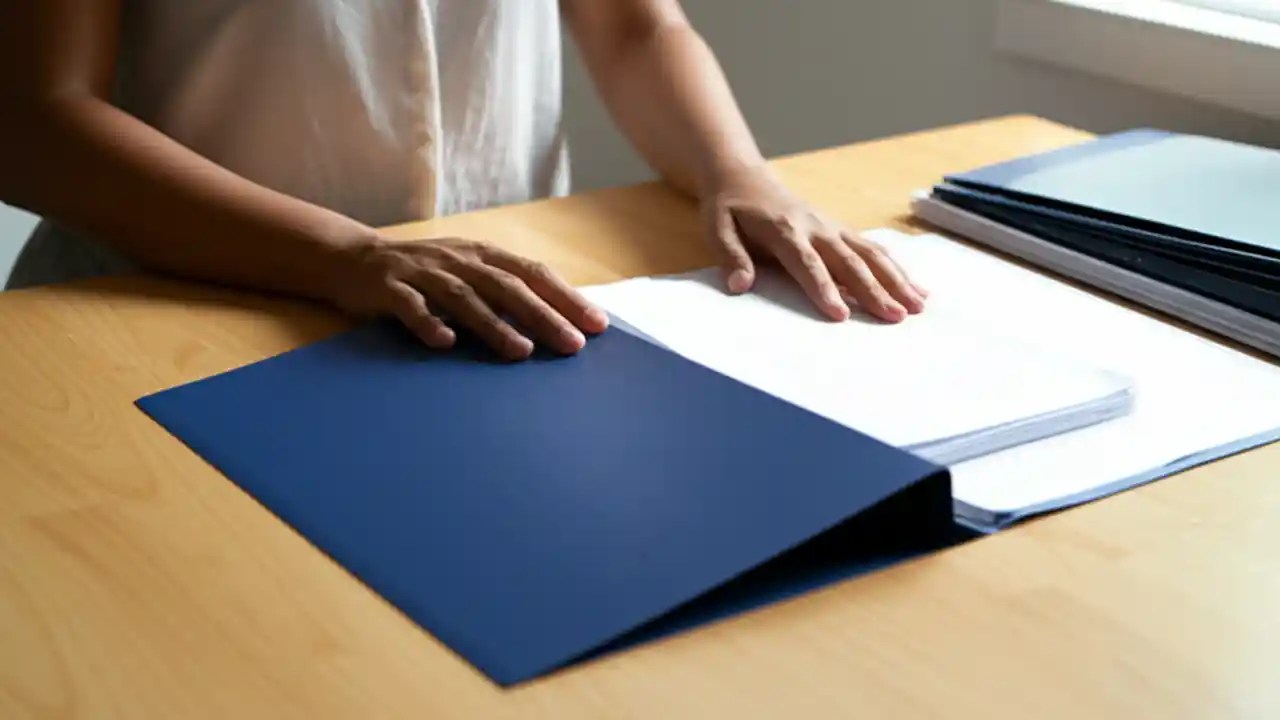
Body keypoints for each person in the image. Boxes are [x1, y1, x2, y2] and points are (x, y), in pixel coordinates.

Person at [0, 0, 926, 360]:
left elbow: (633, 26)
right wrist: (344, 255)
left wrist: (736, 170)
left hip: (482, 317)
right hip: (160, 317)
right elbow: (34, 121)